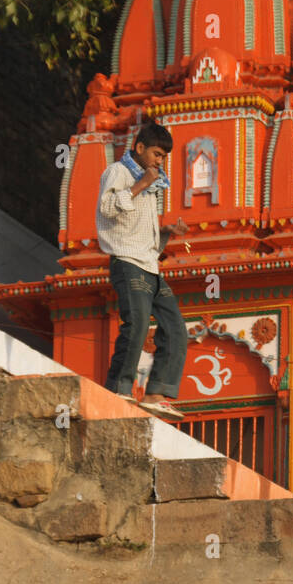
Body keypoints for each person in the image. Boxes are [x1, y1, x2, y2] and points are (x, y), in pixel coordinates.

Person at [96, 120, 189, 420]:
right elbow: (107, 208)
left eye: (163, 157)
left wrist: (167, 232)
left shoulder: (151, 185)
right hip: (126, 261)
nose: (160, 162)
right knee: (135, 325)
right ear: (139, 148)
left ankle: (156, 392)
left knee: (175, 329)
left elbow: (141, 233)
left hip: (149, 264)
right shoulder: (119, 173)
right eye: (157, 154)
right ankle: (119, 388)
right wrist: (141, 185)